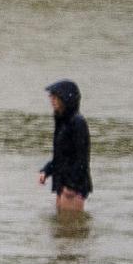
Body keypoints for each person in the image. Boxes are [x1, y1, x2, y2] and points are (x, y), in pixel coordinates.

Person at [39, 79, 92, 212]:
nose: (51, 100)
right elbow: (60, 157)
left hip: (73, 188)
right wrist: (46, 171)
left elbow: (82, 158)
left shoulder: (78, 123)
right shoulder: (62, 121)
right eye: (51, 97)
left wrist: (72, 186)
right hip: (62, 184)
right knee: (60, 223)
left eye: (55, 97)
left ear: (66, 99)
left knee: (71, 223)